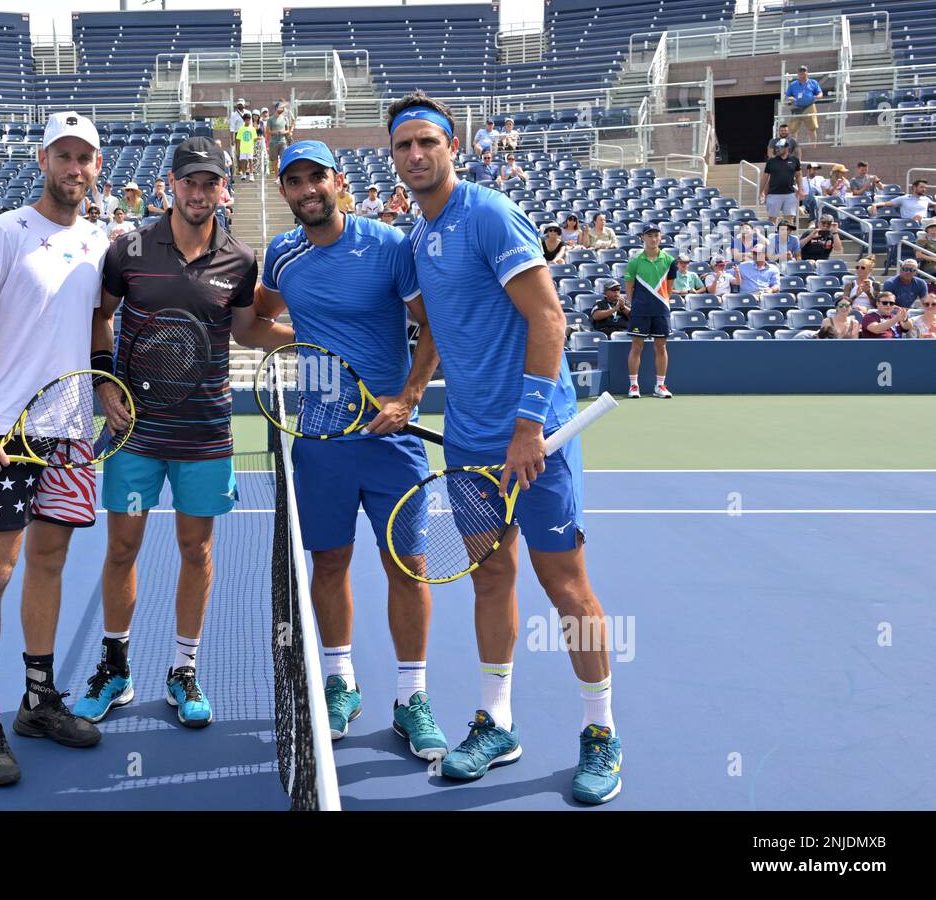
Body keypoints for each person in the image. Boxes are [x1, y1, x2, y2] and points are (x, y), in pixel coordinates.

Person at [388, 92, 621, 804]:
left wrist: (527, 428)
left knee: (565, 586)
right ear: (393, 157)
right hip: (468, 440)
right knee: (490, 578)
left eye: (429, 141)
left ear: (453, 147)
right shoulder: (420, 236)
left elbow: (548, 317)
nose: (417, 155)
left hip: (536, 438)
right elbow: (436, 329)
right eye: (404, 146)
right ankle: (496, 722)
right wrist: (408, 394)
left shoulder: (488, 214)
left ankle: (601, 733)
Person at [76, 136, 288, 731]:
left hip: (204, 434)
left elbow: (248, 330)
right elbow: (101, 314)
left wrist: (307, 334)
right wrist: (105, 384)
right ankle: (115, 669)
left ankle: (183, 670)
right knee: (123, 548)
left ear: (224, 188)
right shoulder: (129, 247)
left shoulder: (240, 261)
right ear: (171, 183)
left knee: (197, 551)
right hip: (135, 433)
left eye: (210, 183)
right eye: (189, 181)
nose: (199, 193)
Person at [252, 138, 447, 756]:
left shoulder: (390, 246)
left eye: (318, 177)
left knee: (406, 566)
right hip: (321, 442)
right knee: (329, 565)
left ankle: (412, 697)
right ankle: (340, 682)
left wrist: (409, 398)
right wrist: (300, 336)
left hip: (392, 442)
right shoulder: (282, 255)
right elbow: (255, 323)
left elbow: (431, 327)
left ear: (339, 181)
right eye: (295, 181)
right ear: (284, 191)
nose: (307, 190)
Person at [0, 111, 111, 787]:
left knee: (50, 560)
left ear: (98, 166)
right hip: (9, 435)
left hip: (71, 434)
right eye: (64, 156)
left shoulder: (102, 241)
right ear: (43, 160)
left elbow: (96, 324)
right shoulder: (5, 232)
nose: (75, 168)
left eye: (86, 158)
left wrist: (109, 387)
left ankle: (38, 701)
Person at [624, 224, 676, 398]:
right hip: (640, 311)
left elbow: (669, 289)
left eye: (656, 235)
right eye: (649, 235)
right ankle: (633, 386)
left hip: (661, 309)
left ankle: (660, 386)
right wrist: (636, 306)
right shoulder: (634, 261)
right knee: (636, 346)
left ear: (660, 237)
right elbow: (629, 288)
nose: (653, 239)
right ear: (642, 238)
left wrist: (661, 302)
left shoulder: (669, 260)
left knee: (661, 347)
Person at [759, 140, 802, 225]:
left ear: (786, 148)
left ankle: (785, 238)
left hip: (790, 194)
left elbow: (799, 175)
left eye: (780, 147)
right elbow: (765, 177)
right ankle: (772, 238)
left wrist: (800, 189)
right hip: (773, 194)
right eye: (776, 148)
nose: (777, 149)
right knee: (772, 219)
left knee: (789, 218)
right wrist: (761, 192)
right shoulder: (771, 161)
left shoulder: (794, 160)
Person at [784, 65, 823, 142]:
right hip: (797, 107)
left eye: (804, 71)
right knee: (793, 129)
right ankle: (793, 146)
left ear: (807, 72)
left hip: (809, 106)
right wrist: (790, 98)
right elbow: (787, 96)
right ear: (797, 74)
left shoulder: (813, 82)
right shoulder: (793, 84)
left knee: (812, 128)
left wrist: (818, 96)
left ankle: (813, 146)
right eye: (800, 71)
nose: (802, 73)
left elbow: (820, 93)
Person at [267, 101, 292, 176]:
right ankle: (277, 176)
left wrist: (283, 132)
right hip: (273, 142)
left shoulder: (285, 118)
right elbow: (268, 131)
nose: (282, 109)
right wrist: (276, 132)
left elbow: (288, 130)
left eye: (283, 108)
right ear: (276, 108)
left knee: (283, 159)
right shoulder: (270, 119)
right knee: (274, 161)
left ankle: (282, 175)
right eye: (281, 108)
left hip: (283, 141)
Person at [235, 117, 257, 182]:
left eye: (249, 120)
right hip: (243, 148)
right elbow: (238, 139)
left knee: (250, 161)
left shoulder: (252, 129)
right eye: (246, 120)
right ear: (244, 120)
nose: (248, 121)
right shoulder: (241, 129)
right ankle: (244, 174)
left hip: (250, 148)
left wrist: (252, 144)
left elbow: (255, 138)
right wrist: (238, 149)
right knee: (243, 161)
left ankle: (251, 175)